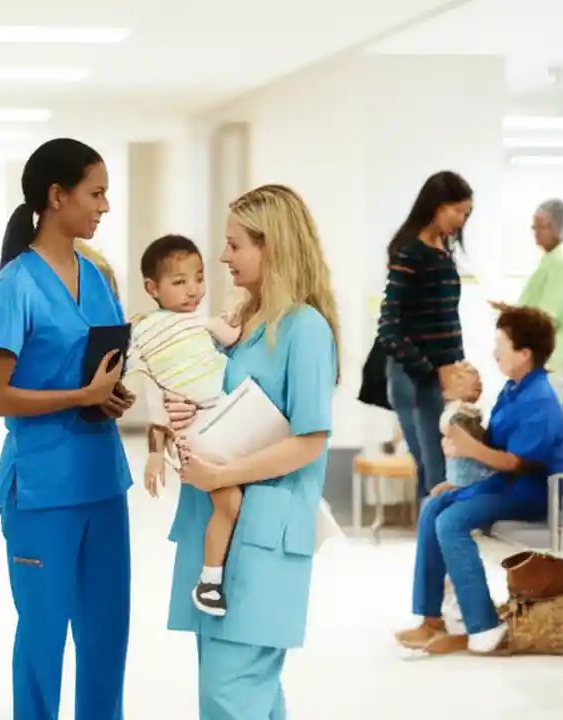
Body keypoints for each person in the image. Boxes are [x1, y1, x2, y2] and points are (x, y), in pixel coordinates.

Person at [164, 184, 339, 719]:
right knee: (246, 694)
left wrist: (224, 472)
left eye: (235, 244)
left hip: (264, 531)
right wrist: (189, 414)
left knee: (230, 694)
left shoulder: (304, 330)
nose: (222, 257)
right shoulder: (242, 324)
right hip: (216, 523)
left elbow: (310, 439)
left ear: (274, 246)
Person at [0, 138, 136, 720]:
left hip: (101, 481)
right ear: (55, 196)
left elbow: (93, 368)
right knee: (43, 643)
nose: (105, 207)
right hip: (42, 489)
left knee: (106, 640)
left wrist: (108, 396)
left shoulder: (96, 279)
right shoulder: (15, 285)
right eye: (96, 193)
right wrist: (81, 395)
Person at [395, 305, 563, 655]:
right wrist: (462, 474)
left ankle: (483, 625)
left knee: (452, 521)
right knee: (434, 506)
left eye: (501, 343)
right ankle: (430, 620)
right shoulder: (513, 389)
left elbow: (516, 462)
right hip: (502, 484)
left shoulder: (540, 400)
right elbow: (494, 445)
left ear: (524, 353)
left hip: (530, 492)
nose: (494, 350)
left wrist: (470, 448)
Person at [122, 234, 241, 617]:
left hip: (221, 423)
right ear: (151, 288)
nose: (193, 290)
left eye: (199, 278)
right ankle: (209, 581)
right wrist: (155, 455)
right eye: (179, 282)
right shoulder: (153, 335)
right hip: (199, 435)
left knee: (233, 501)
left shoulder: (194, 327)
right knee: (229, 501)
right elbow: (157, 399)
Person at [377, 171, 481, 501]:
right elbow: (389, 329)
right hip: (416, 376)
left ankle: (435, 550)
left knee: (446, 473)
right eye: (458, 211)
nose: (462, 220)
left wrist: (459, 367)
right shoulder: (410, 252)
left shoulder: (442, 251)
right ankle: (434, 551)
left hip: (441, 375)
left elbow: (446, 317)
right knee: (435, 474)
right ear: (437, 206)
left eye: (467, 213)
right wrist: (432, 372)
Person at [518, 198, 563, 384]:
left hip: (556, 360)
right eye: (533, 227)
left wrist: (516, 316)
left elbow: (548, 317)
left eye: (540, 227)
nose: (535, 233)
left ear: (557, 228)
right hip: (544, 357)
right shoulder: (550, 260)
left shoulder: (562, 264)